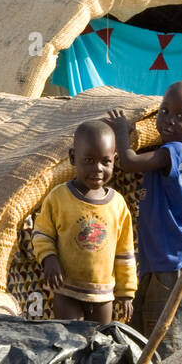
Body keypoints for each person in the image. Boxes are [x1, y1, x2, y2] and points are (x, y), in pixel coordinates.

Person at [105, 81, 182, 358]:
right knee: (148, 328)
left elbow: (127, 162)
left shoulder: (170, 152)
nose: (169, 121)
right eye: (164, 111)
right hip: (163, 258)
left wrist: (121, 133)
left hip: (170, 260)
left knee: (168, 337)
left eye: (180, 116)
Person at [31, 121, 136, 326]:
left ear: (114, 160)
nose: (97, 168)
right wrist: (49, 259)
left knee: (99, 344)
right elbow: (42, 233)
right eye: (88, 160)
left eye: (105, 162)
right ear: (72, 157)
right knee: (67, 339)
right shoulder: (59, 197)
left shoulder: (117, 205)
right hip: (67, 288)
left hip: (103, 294)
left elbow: (125, 251)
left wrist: (126, 292)